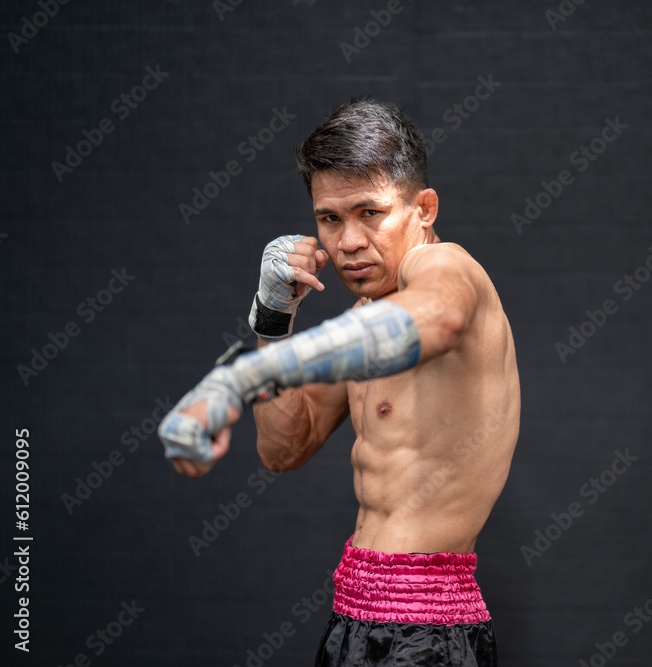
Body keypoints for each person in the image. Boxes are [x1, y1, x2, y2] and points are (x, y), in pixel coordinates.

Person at [158, 98, 520, 666]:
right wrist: (274, 320)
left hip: (426, 633)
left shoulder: (448, 268)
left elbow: (439, 317)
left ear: (423, 208)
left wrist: (244, 377)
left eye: (369, 212)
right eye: (330, 219)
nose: (347, 241)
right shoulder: (362, 322)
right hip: (352, 618)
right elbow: (284, 449)